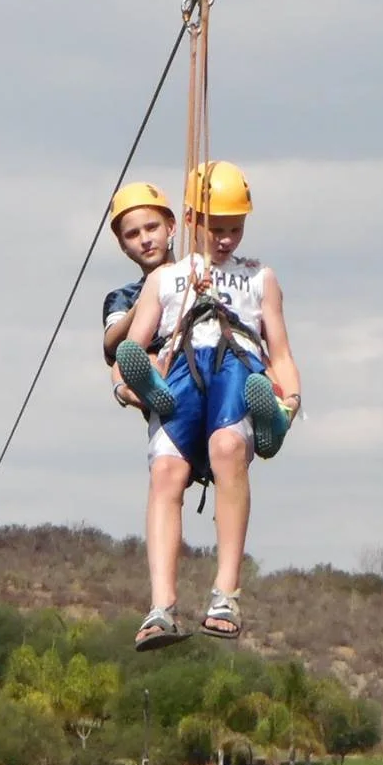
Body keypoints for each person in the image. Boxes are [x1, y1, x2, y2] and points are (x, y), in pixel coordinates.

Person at [115, 160, 300, 649]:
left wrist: (293, 395)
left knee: (225, 450)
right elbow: (128, 351)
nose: (225, 239)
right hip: (180, 366)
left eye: (234, 229)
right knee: (166, 474)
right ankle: (161, 607)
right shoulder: (164, 281)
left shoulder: (260, 276)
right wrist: (130, 386)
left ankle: (225, 594)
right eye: (216, 229)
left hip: (236, 362)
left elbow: (280, 351)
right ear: (193, 221)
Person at [102, 182, 176, 407]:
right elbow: (111, 344)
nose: (145, 240)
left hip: (192, 355)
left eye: (152, 228)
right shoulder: (124, 297)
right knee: (123, 364)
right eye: (133, 234)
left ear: (171, 228)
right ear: (123, 244)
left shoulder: (193, 276)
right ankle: (147, 396)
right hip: (157, 361)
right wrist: (145, 300)